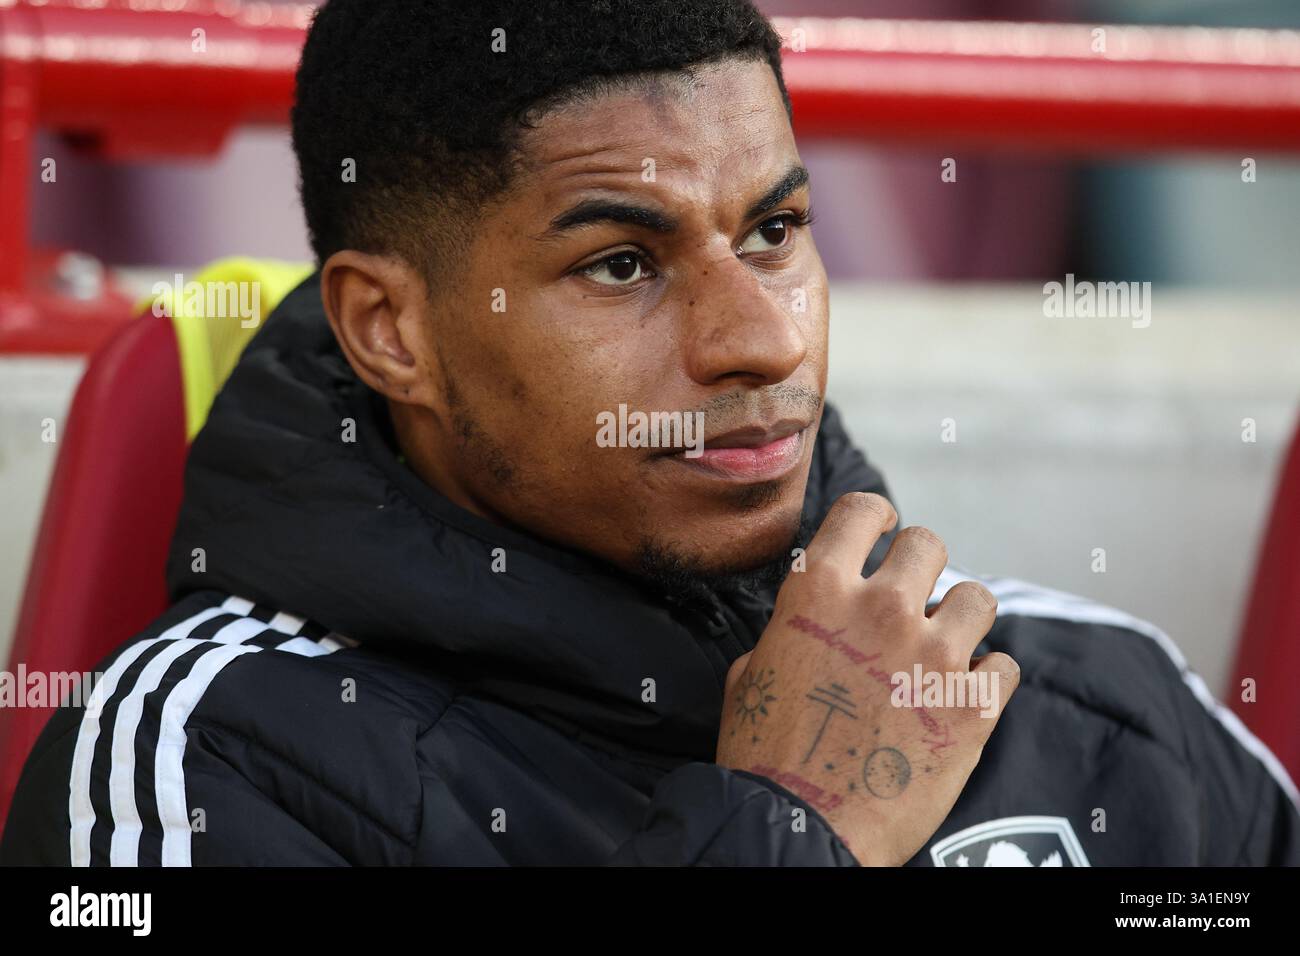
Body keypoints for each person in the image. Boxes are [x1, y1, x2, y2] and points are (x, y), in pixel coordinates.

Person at [2, 0, 1295, 867]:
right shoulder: (201, 766)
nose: (764, 342)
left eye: (777, 233)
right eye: (624, 263)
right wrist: (790, 830)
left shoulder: (1079, 692)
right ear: (393, 331)